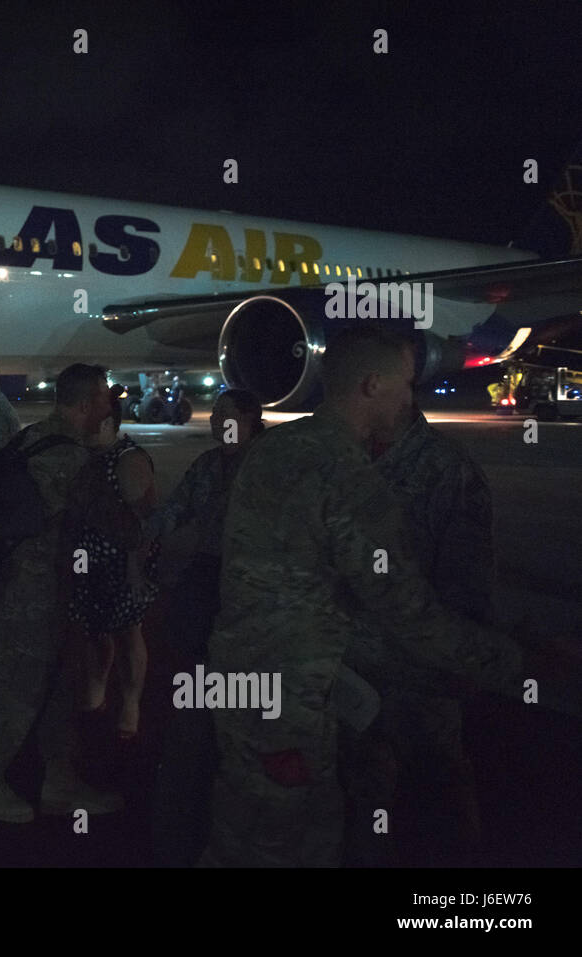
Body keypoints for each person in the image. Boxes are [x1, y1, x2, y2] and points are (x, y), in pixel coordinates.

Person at [200, 325, 525, 868]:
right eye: (405, 384)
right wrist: (519, 664)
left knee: (241, 828)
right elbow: (407, 609)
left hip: (241, 681)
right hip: (299, 701)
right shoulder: (348, 475)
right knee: (296, 844)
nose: (410, 397)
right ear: (372, 385)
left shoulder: (272, 449)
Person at [0, 363, 125, 823]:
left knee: (53, 685)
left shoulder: (33, 436)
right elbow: (115, 523)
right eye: (103, 398)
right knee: (16, 686)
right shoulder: (73, 459)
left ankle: (59, 777)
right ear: (84, 404)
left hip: (18, 586)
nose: (109, 404)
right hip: (32, 595)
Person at [340, 400, 496, 865]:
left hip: (418, 682)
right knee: (361, 798)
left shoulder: (446, 470)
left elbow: (466, 590)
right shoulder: (343, 461)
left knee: (435, 799)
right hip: (348, 673)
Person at [143, 387, 262, 866]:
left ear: (251, 419)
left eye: (225, 414)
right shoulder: (209, 466)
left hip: (252, 581)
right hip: (210, 574)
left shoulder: (268, 466)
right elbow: (175, 510)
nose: (215, 421)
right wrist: (143, 536)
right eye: (215, 414)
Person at [67, 386, 158, 740]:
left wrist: (136, 568)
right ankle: (98, 687)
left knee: (128, 632)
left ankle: (131, 703)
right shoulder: (86, 455)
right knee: (94, 631)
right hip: (90, 561)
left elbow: (145, 520)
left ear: (106, 423)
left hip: (122, 563)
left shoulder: (127, 460)